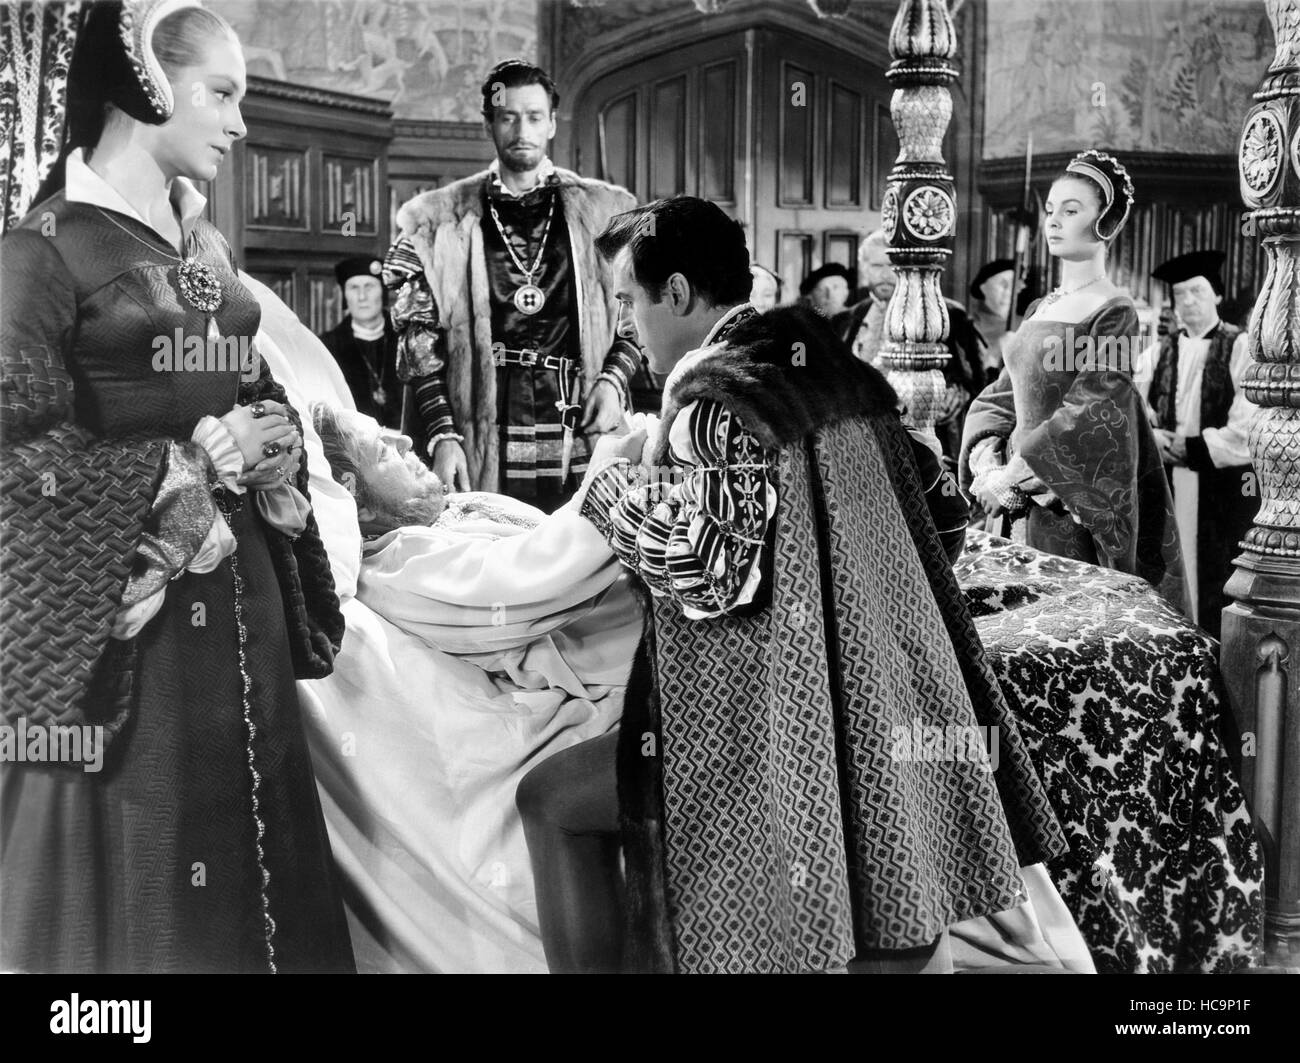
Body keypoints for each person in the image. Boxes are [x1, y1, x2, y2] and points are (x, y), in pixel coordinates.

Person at [517, 195, 1076, 975]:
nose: (627, 328)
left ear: (676, 294)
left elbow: (709, 575)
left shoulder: (711, 403)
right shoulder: (840, 368)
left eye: (627, 302)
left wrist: (613, 491)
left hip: (768, 734)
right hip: (895, 712)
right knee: (894, 928)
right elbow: (944, 514)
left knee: (547, 802)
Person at [0, 1, 353, 973]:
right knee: (162, 890)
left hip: (242, 611)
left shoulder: (197, 252)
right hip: (137, 649)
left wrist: (271, 436)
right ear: (150, 84)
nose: (242, 123)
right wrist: (191, 469)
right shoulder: (44, 250)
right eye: (222, 94)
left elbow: (242, 380)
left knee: (259, 865)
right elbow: (14, 468)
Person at [383, 58, 644, 512]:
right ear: (489, 124)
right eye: (508, 116)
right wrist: (444, 434)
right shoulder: (436, 219)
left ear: (551, 125)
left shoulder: (606, 211)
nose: (521, 128)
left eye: (534, 116)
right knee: (492, 553)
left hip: (578, 422)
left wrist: (613, 381)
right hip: (480, 430)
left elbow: (637, 314)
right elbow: (419, 350)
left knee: (578, 561)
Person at [960, 150, 1184, 608]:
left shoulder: (1115, 311)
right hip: (1010, 504)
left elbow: (1092, 411)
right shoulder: (1040, 308)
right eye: (1050, 211)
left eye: (1071, 210)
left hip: (1063, 510)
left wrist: (1015, 475)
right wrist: (986, 464)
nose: (1054, 222)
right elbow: (1002, 394)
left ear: (1105, 222)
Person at [1134, 251, 1260, 638]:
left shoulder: (1241, 348)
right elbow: (1133, 410)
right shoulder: (1158, 352)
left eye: (1197, 291)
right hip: (1166, 482)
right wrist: (1154, 438)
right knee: (1166, 572)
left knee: (1215, 576)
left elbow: (1248, 427)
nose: (1187, 301)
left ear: (1216, 296)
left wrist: (1189, 448)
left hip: (1220, 491)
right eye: (1180, 294)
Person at [844, 229, 985, 466]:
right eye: (876, 265)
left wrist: (956, 393)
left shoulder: (947, 313)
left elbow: (975, 379)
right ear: (863, 268)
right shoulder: (846, 320)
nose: (884, 275)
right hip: (859, 442)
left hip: (925, 439)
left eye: (891, 265)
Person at [318, 254, 402, 430]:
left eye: (369, 286)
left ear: (383, 292)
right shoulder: (328, 347)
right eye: (354, 288)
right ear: (344, 295)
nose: (362, 296)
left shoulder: (405, 340)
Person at [969, 257, 1017, 378]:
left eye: (1013, 285)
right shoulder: (969, 327)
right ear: (983, 287)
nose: (1009, 292)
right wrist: (995, 352)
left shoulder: (1029, 323)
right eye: (1003, 284)